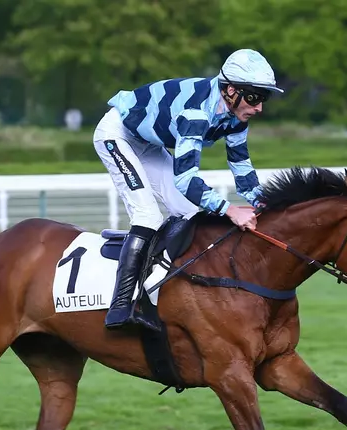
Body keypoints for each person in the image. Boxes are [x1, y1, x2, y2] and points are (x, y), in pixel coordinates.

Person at [92, 48, 284, 330]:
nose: (259, 108)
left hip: (149, 144)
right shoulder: (196, 112)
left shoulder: (235, 116)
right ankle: (120, 307)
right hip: (117, 135)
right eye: (254, 97)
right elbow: (185, 179)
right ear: (230, 90)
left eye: (263, 98)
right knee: (147, 216)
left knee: (190, 213)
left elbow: (241, 166)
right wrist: (230, 210)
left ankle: (171, 291)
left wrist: (264, 203)